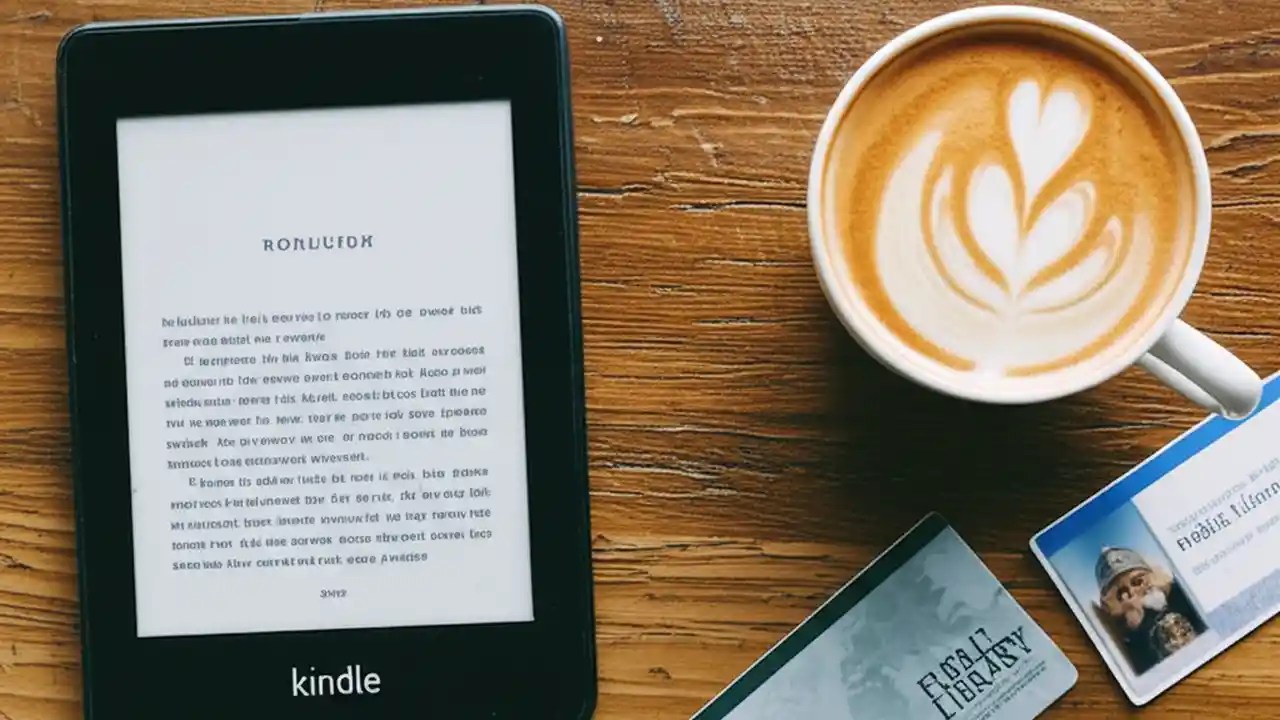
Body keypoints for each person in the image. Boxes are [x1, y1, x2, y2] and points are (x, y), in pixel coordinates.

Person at [1095, 546, 1203, 675]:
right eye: (1121, 593)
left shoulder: (1183, 595)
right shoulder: (1129, 645)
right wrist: (1137, 630)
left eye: (1138, 581)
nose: (1132, 593)